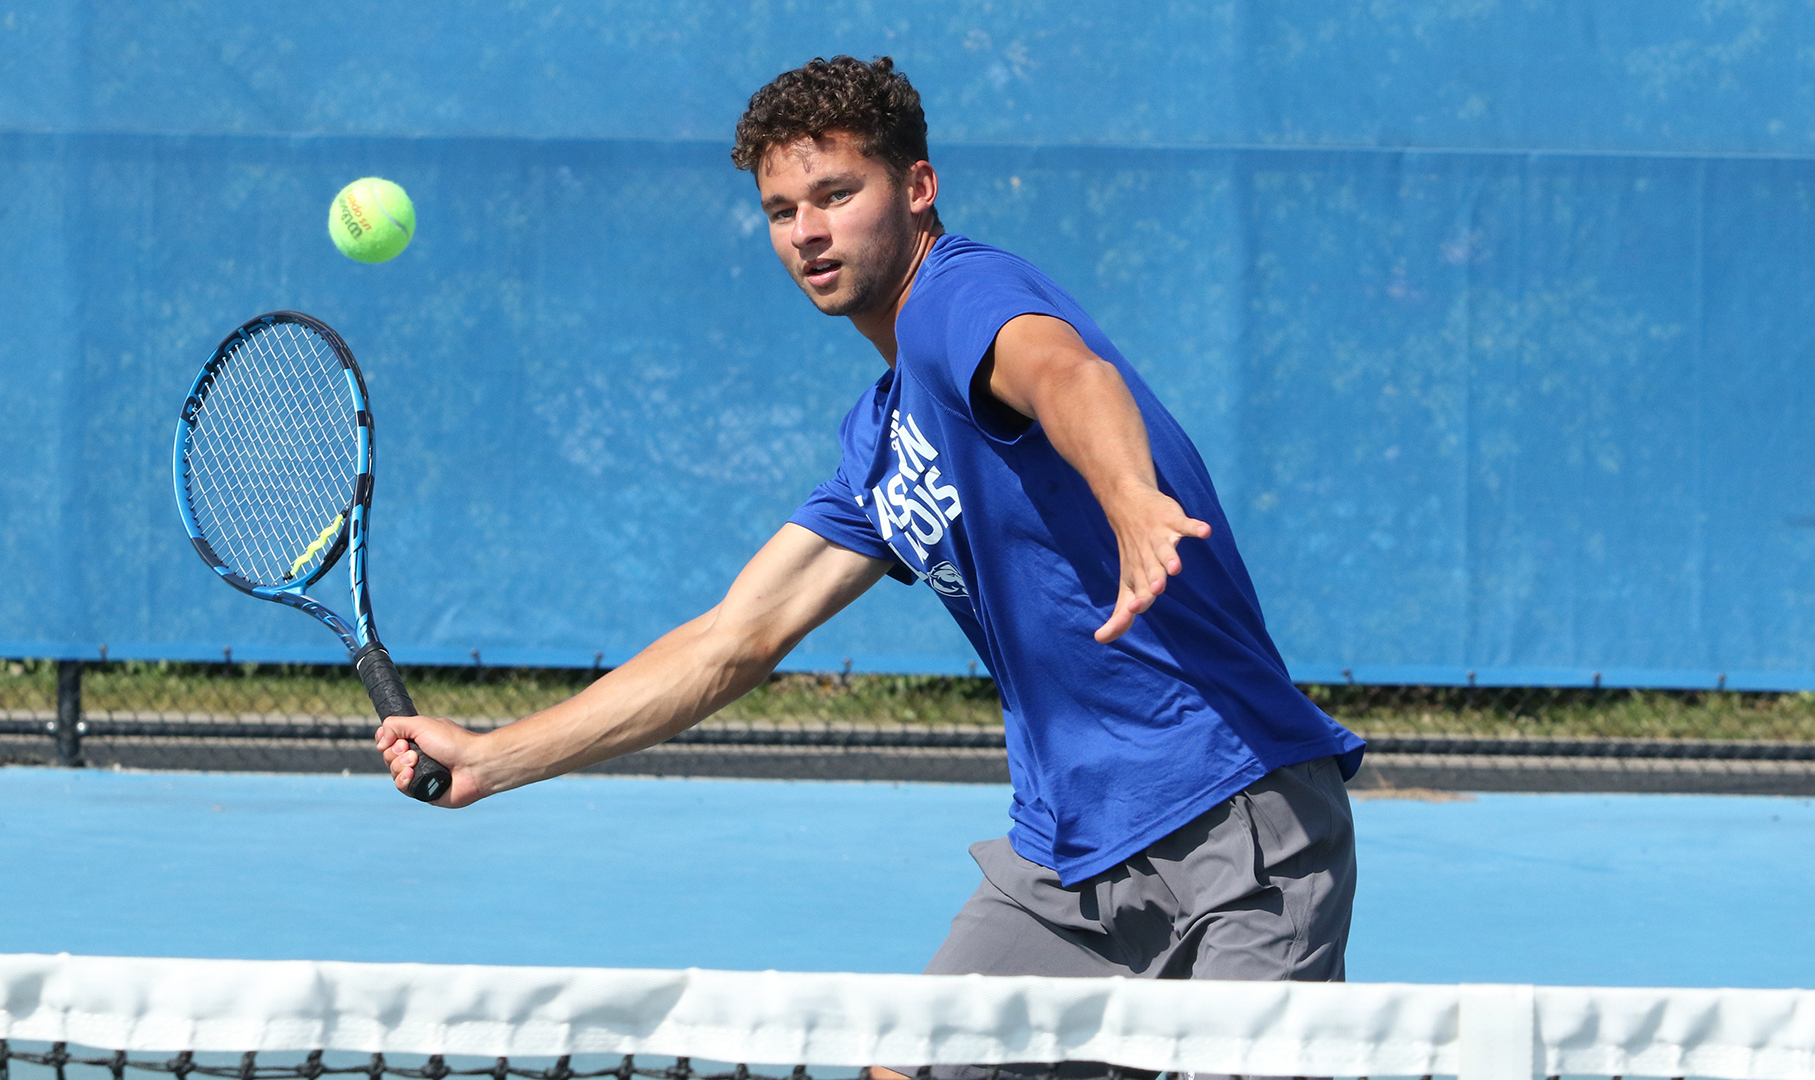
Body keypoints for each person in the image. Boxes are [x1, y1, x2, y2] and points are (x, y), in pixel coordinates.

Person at [378, 53, 1365, 1058]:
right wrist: (495, 758)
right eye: (780, 210)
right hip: (1069, 860)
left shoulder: (956, 298)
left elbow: (1068, 372)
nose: (808, 230)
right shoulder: (881, 444)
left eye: (837, 194)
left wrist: (1130, 499)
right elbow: (735, 638)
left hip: (1233, 824)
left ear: (918, 187)